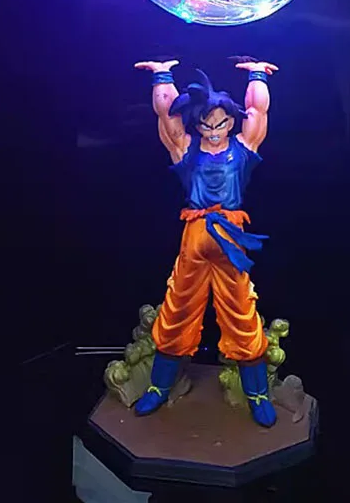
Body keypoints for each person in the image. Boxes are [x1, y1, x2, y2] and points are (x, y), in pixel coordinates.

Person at [132, 57, 279, 427]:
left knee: (242, 312)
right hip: (196, 235)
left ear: (231, 122)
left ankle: (257, 393)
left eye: (221, 124)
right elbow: (167, 120)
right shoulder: (187, 150)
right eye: (206, 125)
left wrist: (258, 74)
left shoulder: (242, 149)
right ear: (197, 124)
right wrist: (162, 77)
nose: (213, 131)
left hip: (230, 237)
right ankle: (159, 387)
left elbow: (258, 113)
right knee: (177, 309)